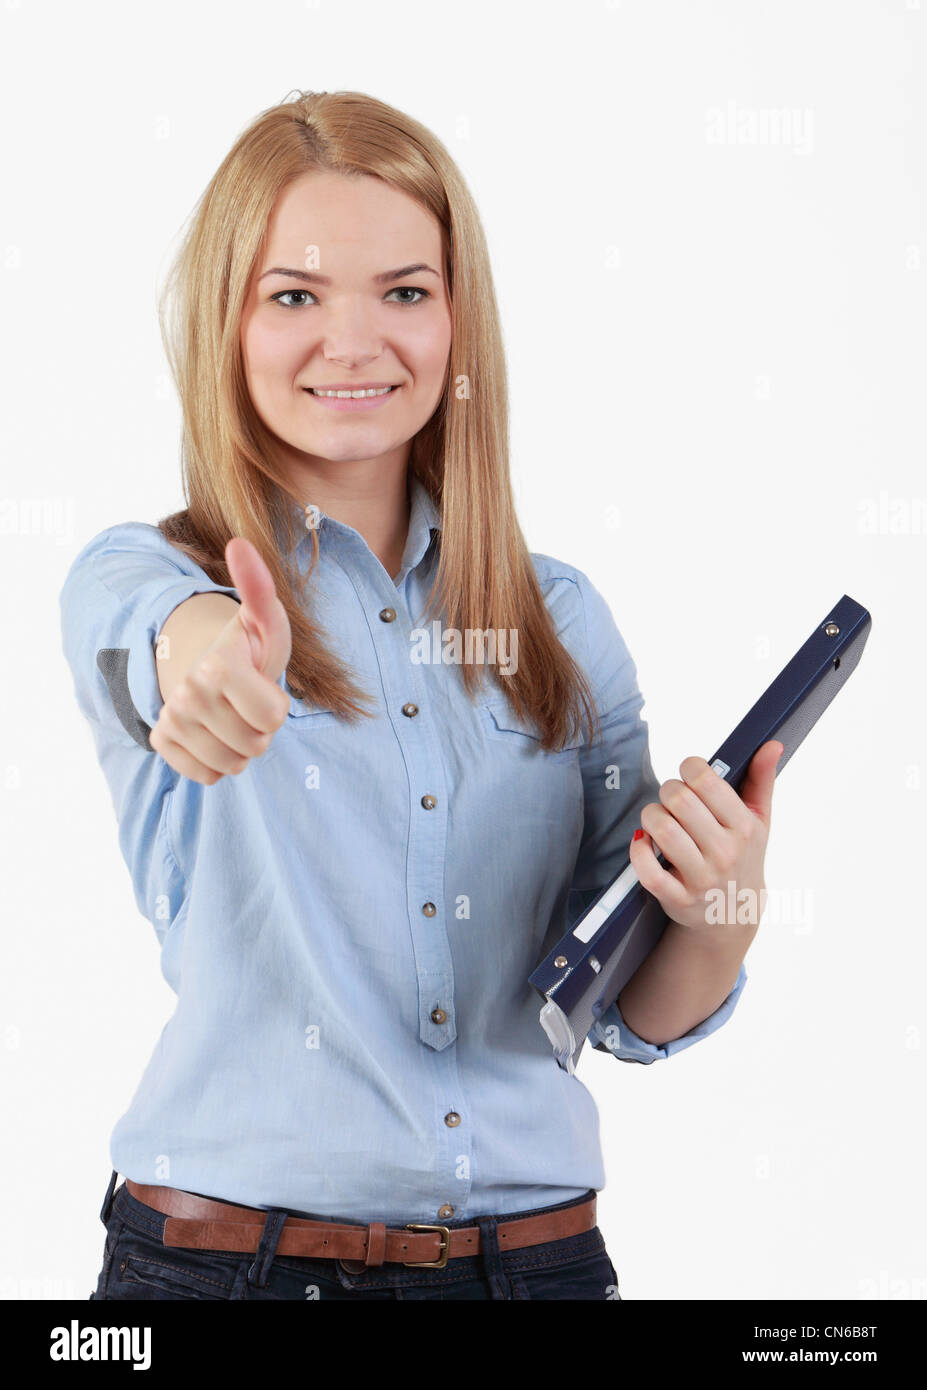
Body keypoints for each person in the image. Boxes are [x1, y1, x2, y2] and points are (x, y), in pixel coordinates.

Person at [60, 89, 780, 1302]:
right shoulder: (150, 576)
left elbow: (618, 1007)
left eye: (404, 291)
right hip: (226, 1272)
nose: (354, 342)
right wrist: (206, 661)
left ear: (457, 322)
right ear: (227, 325)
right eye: (293, 295)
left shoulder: (560, 623)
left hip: (537, 1268)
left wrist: (719, 914)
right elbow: (154, 644)